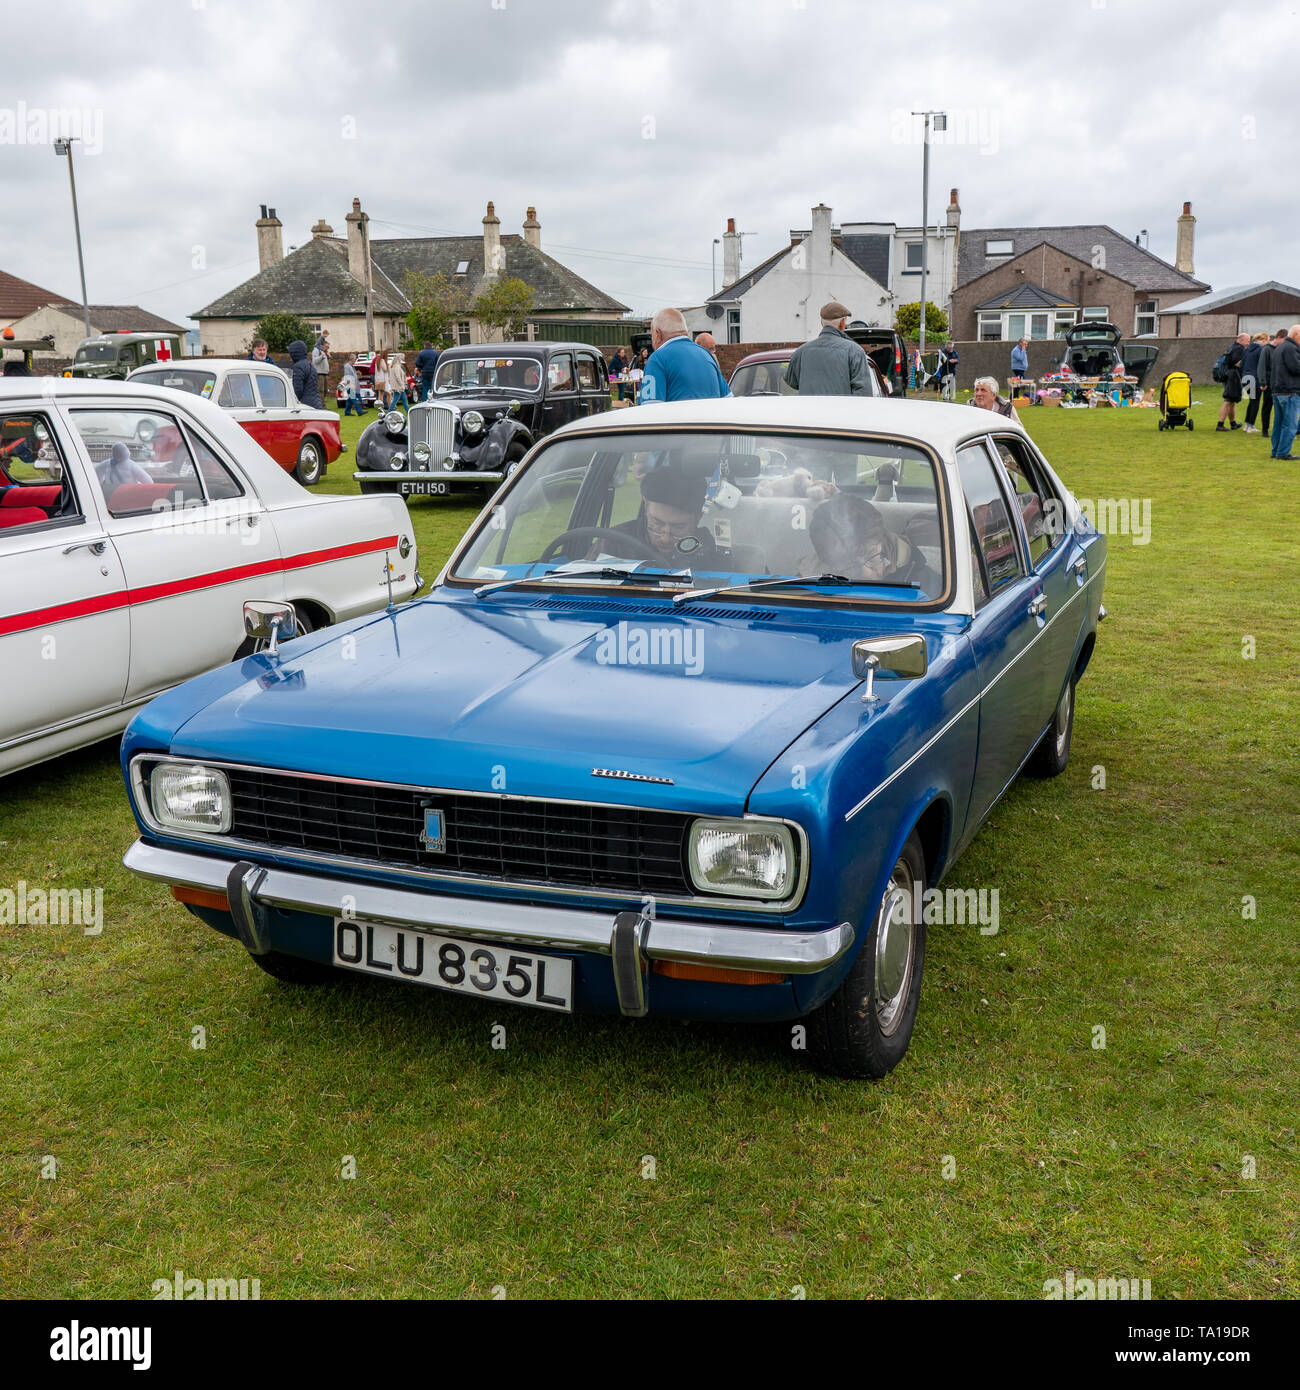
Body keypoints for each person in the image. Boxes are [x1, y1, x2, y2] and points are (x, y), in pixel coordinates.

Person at [802, 493, 939, 596]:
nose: (866, 574)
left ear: (882, 542)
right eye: (850, 565)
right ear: (829, 564)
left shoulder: (925, 583)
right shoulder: (804, 586)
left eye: (872, 557)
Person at [607, 464, 722, 566]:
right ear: (646, 504)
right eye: (657, 523)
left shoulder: (711, 550)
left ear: (699, 517)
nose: (665, 539)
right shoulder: (614, 543)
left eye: (678, 527)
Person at [639, 308, 730, 402]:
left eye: (652, 335)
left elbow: (650, 407)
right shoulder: (707, 355)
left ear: (658, 334)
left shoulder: (657, 360)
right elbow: (728, 399)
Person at [784, 301, 870, 396]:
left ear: (822, 323)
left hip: (809, 406)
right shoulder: (854, 351)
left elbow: (791, 381)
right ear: (842, 323)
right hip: (841, 406)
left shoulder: (801, 351)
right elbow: (863, 392)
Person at [1268, 324, 1300, 460]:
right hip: (1289, 391)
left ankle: (1276, 450)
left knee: (1279, 423)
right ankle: (1283, 452)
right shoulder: (1291, 348)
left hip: (1278, 391)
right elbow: (1295, 368)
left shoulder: (1280, 347)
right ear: (1296, 335)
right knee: (1290, 424)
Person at [1256, 328, 1286, 440]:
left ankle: (1280, 430)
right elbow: (1262, 366)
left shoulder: (1282, 349)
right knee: (1267, 407)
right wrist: (1263, 382)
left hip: (1280, 383)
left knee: (1281, 408)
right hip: (1268, 383)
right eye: (1283, 340)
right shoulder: (1267, 349)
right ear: (1278, 338)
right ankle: (1265, 429)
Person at [1217, 332, 1249, 430]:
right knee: (1228, 401)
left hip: (1227, 375)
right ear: (1241, 340)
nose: (1249, 343)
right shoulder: (1239, 348)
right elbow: (1237, 362)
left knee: (1232, 401)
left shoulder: (1232, 347)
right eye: (1248, 341)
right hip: (1232, 377)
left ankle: (1233, 423)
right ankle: (1220, 425)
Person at [1240, 333, 1267, 433]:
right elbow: (1262, 365)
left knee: (1252, 401)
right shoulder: (1261, 350)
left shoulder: (1246, 349)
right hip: (1255, 378)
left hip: (1245, 378)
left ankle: (1247, 424)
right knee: (1255, 403)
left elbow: (1242, 364)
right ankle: (1250, 426)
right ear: (1263, 340)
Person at [287, 339, 323, 408]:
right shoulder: (310, 365)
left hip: (306, 404)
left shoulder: (298, 366)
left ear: (294, 353)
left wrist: (293, 401)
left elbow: (297, 389)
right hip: (316, 402)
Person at [311, 335, 330, 405]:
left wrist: (328, 357)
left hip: (325, 373)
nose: (328, 348)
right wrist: (322, 356)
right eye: (327, 347)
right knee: (320, 390)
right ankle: (321, 405)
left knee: (325, 390)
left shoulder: (324, 352)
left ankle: (321, 403)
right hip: (319, 373)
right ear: (322, 345)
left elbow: (324, 362)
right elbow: (315, 361)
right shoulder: (316, 351)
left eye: (328, 347)